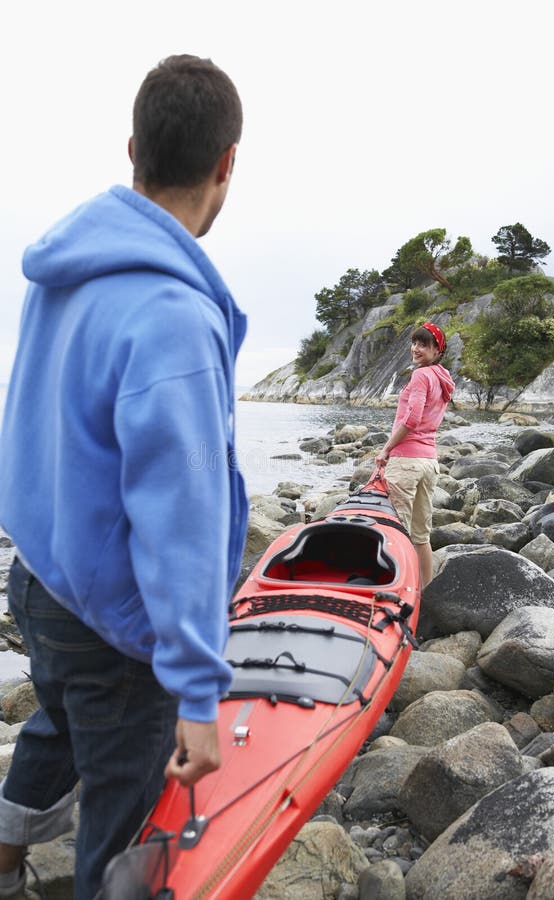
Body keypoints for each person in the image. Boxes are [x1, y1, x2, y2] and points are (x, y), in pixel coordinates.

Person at [0, 55, 248, 899]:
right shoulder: (173, 316)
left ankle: (5, 858)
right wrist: (198, 695)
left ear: (135, 148)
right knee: (125, 803)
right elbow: (183, 512)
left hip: (38, 578)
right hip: (114, 619)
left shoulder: (65, 272)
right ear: (226, 162)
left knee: (59, 723)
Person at [375, 322, 454, 586]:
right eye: (415, 343)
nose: (416, 349)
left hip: (407, 461)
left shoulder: (421, 375)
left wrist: (386, 448)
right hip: (429, 462)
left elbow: (412, 419)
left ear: (437, 350)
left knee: (395, 533)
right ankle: (425, 590)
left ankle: (397, 591)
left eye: (424, 345)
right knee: (421, 536)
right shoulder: (443, 377)